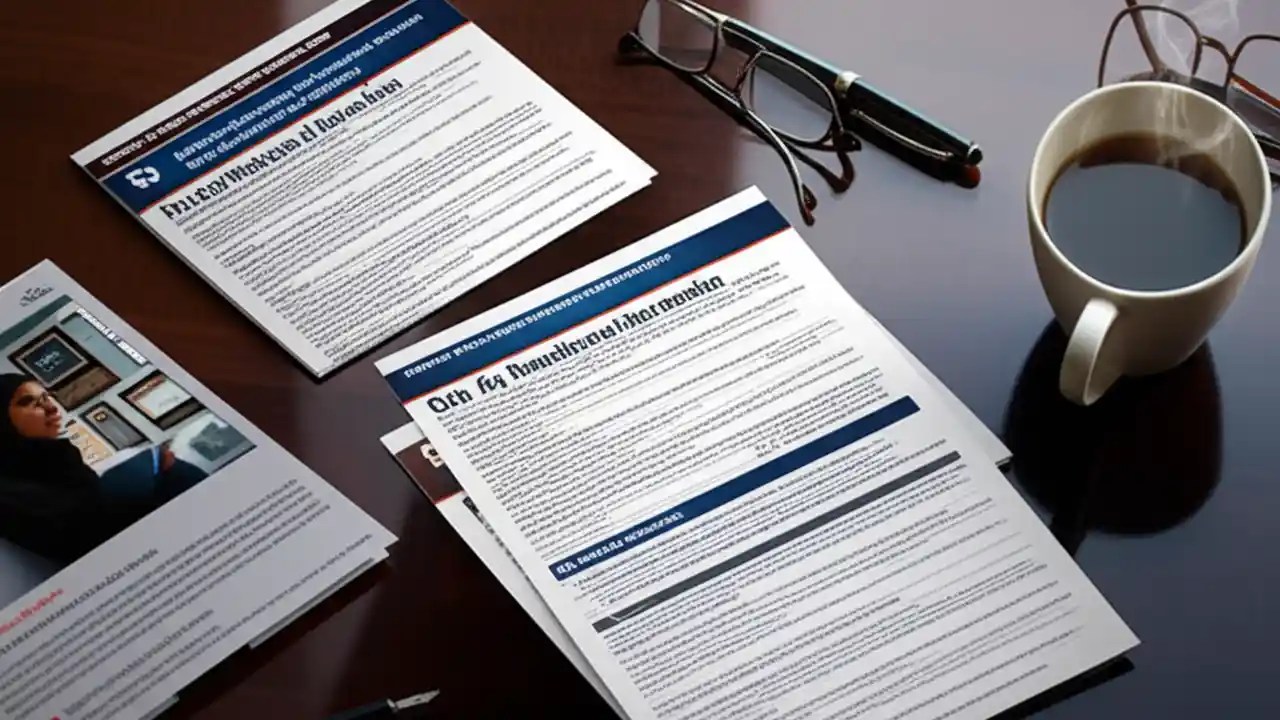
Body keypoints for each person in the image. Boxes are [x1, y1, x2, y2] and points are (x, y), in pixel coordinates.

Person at [0, 373, 206, 567]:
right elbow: (85, 534)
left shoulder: (55, 461)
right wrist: (152, 468)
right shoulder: (11, 492)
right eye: (29, 402)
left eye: (46, 397)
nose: (51, 408)